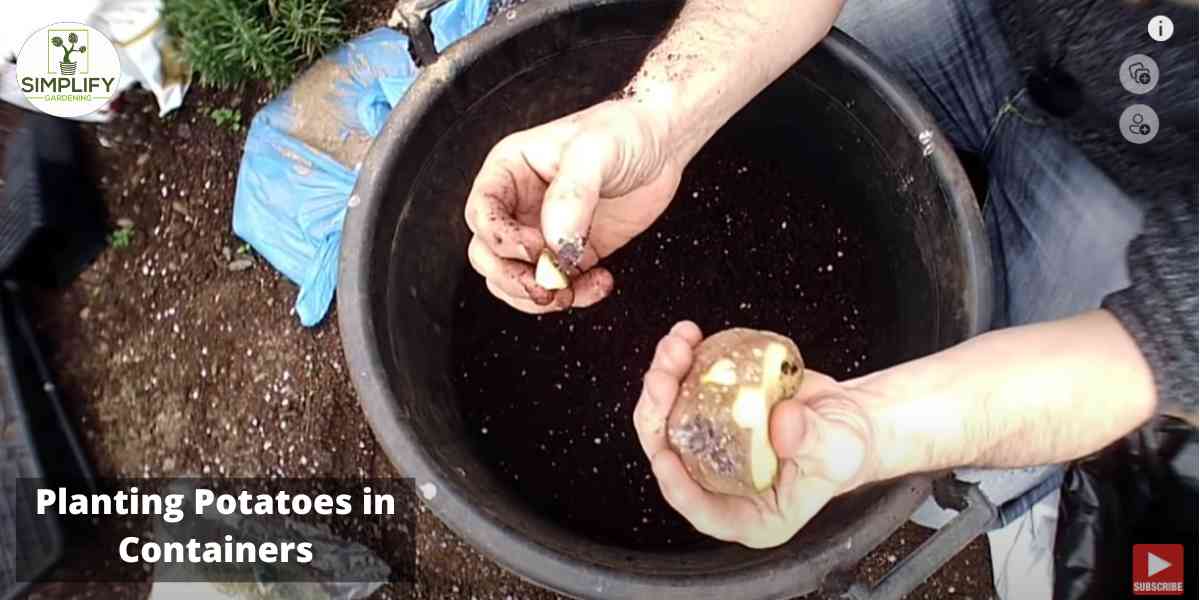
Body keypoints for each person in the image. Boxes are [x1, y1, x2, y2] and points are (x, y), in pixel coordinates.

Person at [462, 0, 1198, 596]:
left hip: (1159, 178)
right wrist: (656, 119)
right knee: (802, 75)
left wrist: (871, 431)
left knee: (993, 449)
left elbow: (1145, 351)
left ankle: (998, 493)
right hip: (996, 16)